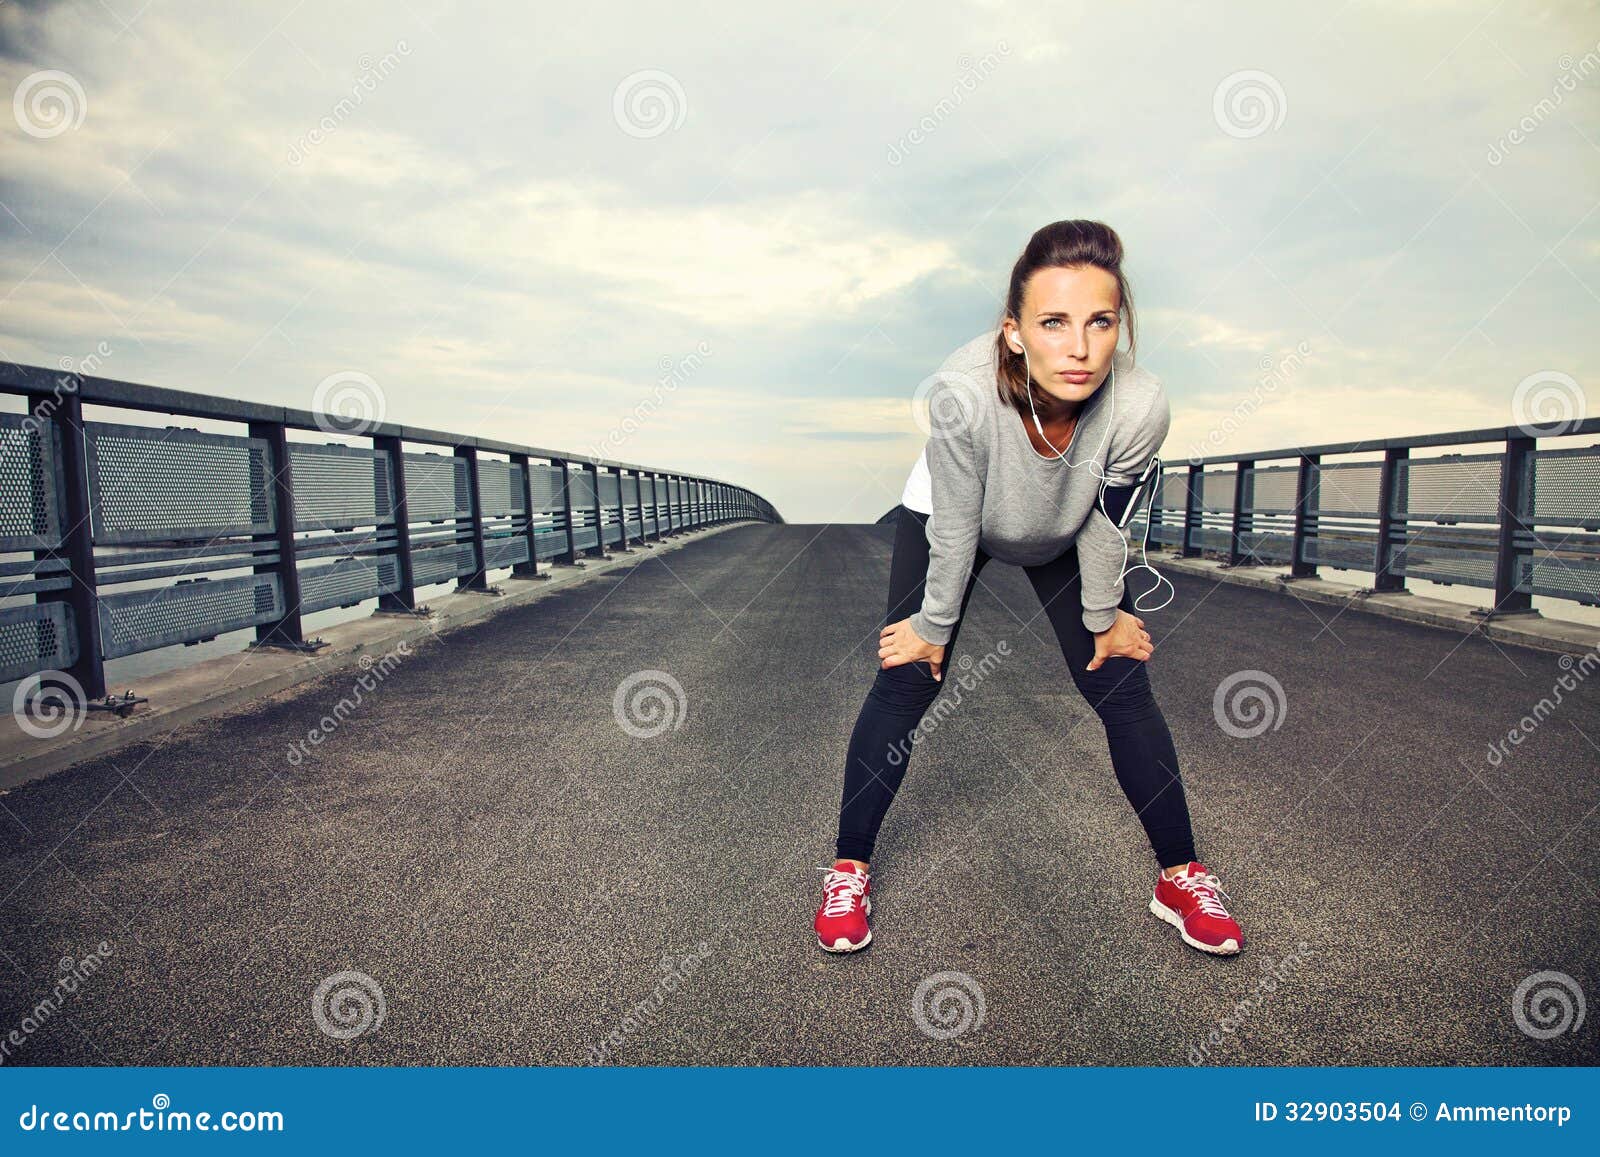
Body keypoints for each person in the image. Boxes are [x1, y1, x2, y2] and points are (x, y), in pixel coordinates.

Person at [814, 219, 1244, 957]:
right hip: (955, 516)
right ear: (1014, 333)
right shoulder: (962, 394)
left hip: (1064, 525)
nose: (1079, 348)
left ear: (1120, 326)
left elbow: (1106, 521)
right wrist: (932, 627)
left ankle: (1181, 877)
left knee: (1120, 679)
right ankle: (848, 870)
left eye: (1100, 321)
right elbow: (956, 526)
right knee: (908, 674)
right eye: (1054, 322)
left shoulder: (1141, 406)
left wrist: (1104, 615)